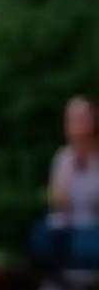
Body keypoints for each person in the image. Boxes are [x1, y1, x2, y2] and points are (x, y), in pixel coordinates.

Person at [32, 96, 99, 270]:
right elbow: (57, 202)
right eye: (72, 121)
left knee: (83, 245)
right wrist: (70, 169)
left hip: (92, 224)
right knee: (41, 238)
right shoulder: (63, 157)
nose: (77, 127)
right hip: (64, 225)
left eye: (82, 120)